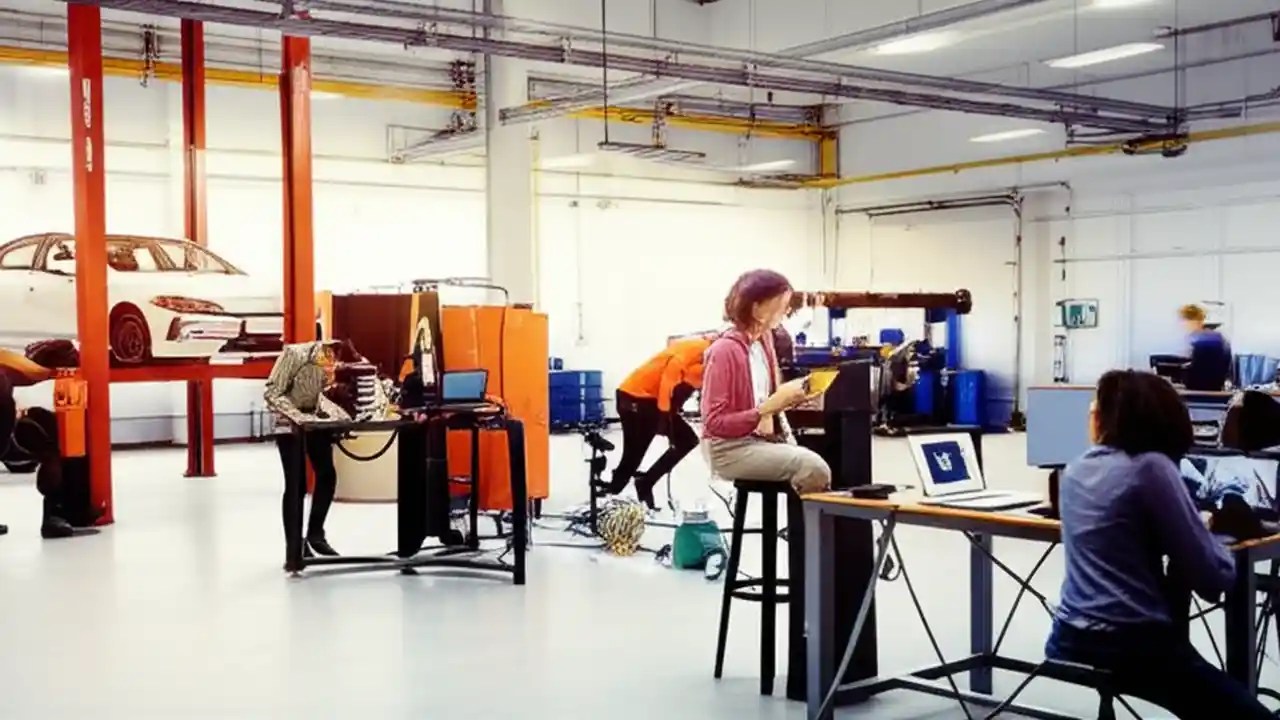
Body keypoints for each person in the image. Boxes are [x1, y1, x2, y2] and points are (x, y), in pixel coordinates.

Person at [1045, 369, 1273, 719]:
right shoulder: (1151, 468)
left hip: (1068, 637)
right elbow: (1214, 578)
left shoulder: (1075, 470)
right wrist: (1224, 532)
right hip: (1131, 645)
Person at [700, 270, 831, 495]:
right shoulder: (724, 350)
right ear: (756, 308)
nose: (787, 310)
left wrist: (793, 397)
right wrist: (763, 410)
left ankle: (806, 530)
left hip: (759, 438)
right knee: (812, 467)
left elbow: (767, 398)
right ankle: (810, 531)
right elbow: (714, 423)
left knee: (827, 457)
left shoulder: (763, 343)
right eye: (781, 304)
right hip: (728, 448)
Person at [264, 339, 350, 559]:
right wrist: (299, 418)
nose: (332, 364)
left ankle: (316, 535)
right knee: (296, 484)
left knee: (327, 475)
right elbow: (272, 393)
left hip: (313, 420)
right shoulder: (294, 355)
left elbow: (319, 396)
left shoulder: (329, 364)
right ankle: (294, 546)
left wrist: (341, 417)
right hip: (287, 421)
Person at [609, 333, 714, 509]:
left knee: (685, 441)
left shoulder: (705, 353)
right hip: (637, 397)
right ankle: (613, 495)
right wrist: (665, 413)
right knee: (634, 452)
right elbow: (671, 372)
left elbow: (689, 381)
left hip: (644, 398)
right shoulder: (700, 349)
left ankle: (641, 483)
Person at [1180, 303, 1232, 391]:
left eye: (1186, 321)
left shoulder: (1206, 339)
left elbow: (1199, 370)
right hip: (1214, 387)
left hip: (1202, 388)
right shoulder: (1214, 337)